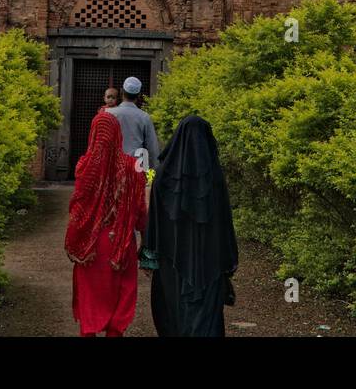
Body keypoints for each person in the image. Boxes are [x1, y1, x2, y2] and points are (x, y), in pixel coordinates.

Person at [146, 115, 238, 337]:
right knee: (206, 319)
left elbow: (155, 222)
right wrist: (228, 261)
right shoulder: (214, 177)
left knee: (174, 313)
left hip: (171, 261)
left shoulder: (162, 177)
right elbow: (225, 222)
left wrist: (150, 257)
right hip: (209, 263)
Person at [65, 111, 148, 337]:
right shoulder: (134, 168)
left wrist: (75, 240)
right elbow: (140, 212)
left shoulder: (84, 167)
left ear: (93, 135)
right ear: (118, 134)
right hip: (120, 245)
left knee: (90, 297)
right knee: (121, 295)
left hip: (90, 246)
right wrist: (146, 239)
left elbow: (78, 209)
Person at [107, 76, 161, 173]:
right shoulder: (144, 117)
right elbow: (152, 150)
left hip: (113, 169)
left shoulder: (109, 114)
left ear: (121, 91)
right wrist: (151, 175)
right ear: (139, 95)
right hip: (137, 169)